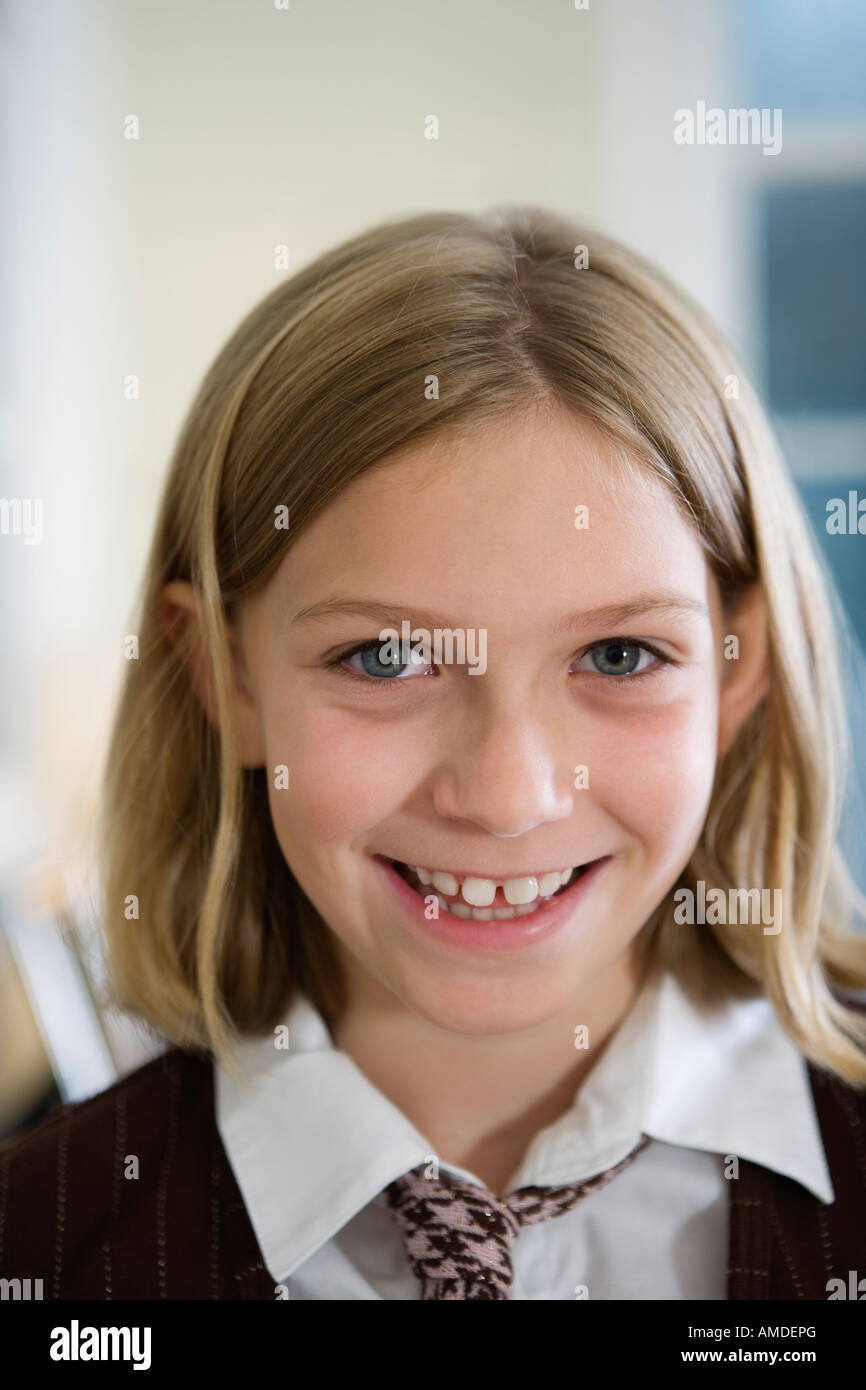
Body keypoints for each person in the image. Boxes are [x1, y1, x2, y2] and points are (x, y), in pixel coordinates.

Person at [2, 206, 865, 1301]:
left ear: (738, 670)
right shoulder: (39, 1247)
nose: (508, 796)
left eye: (616, 652)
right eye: (385, 658)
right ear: (226, 676)